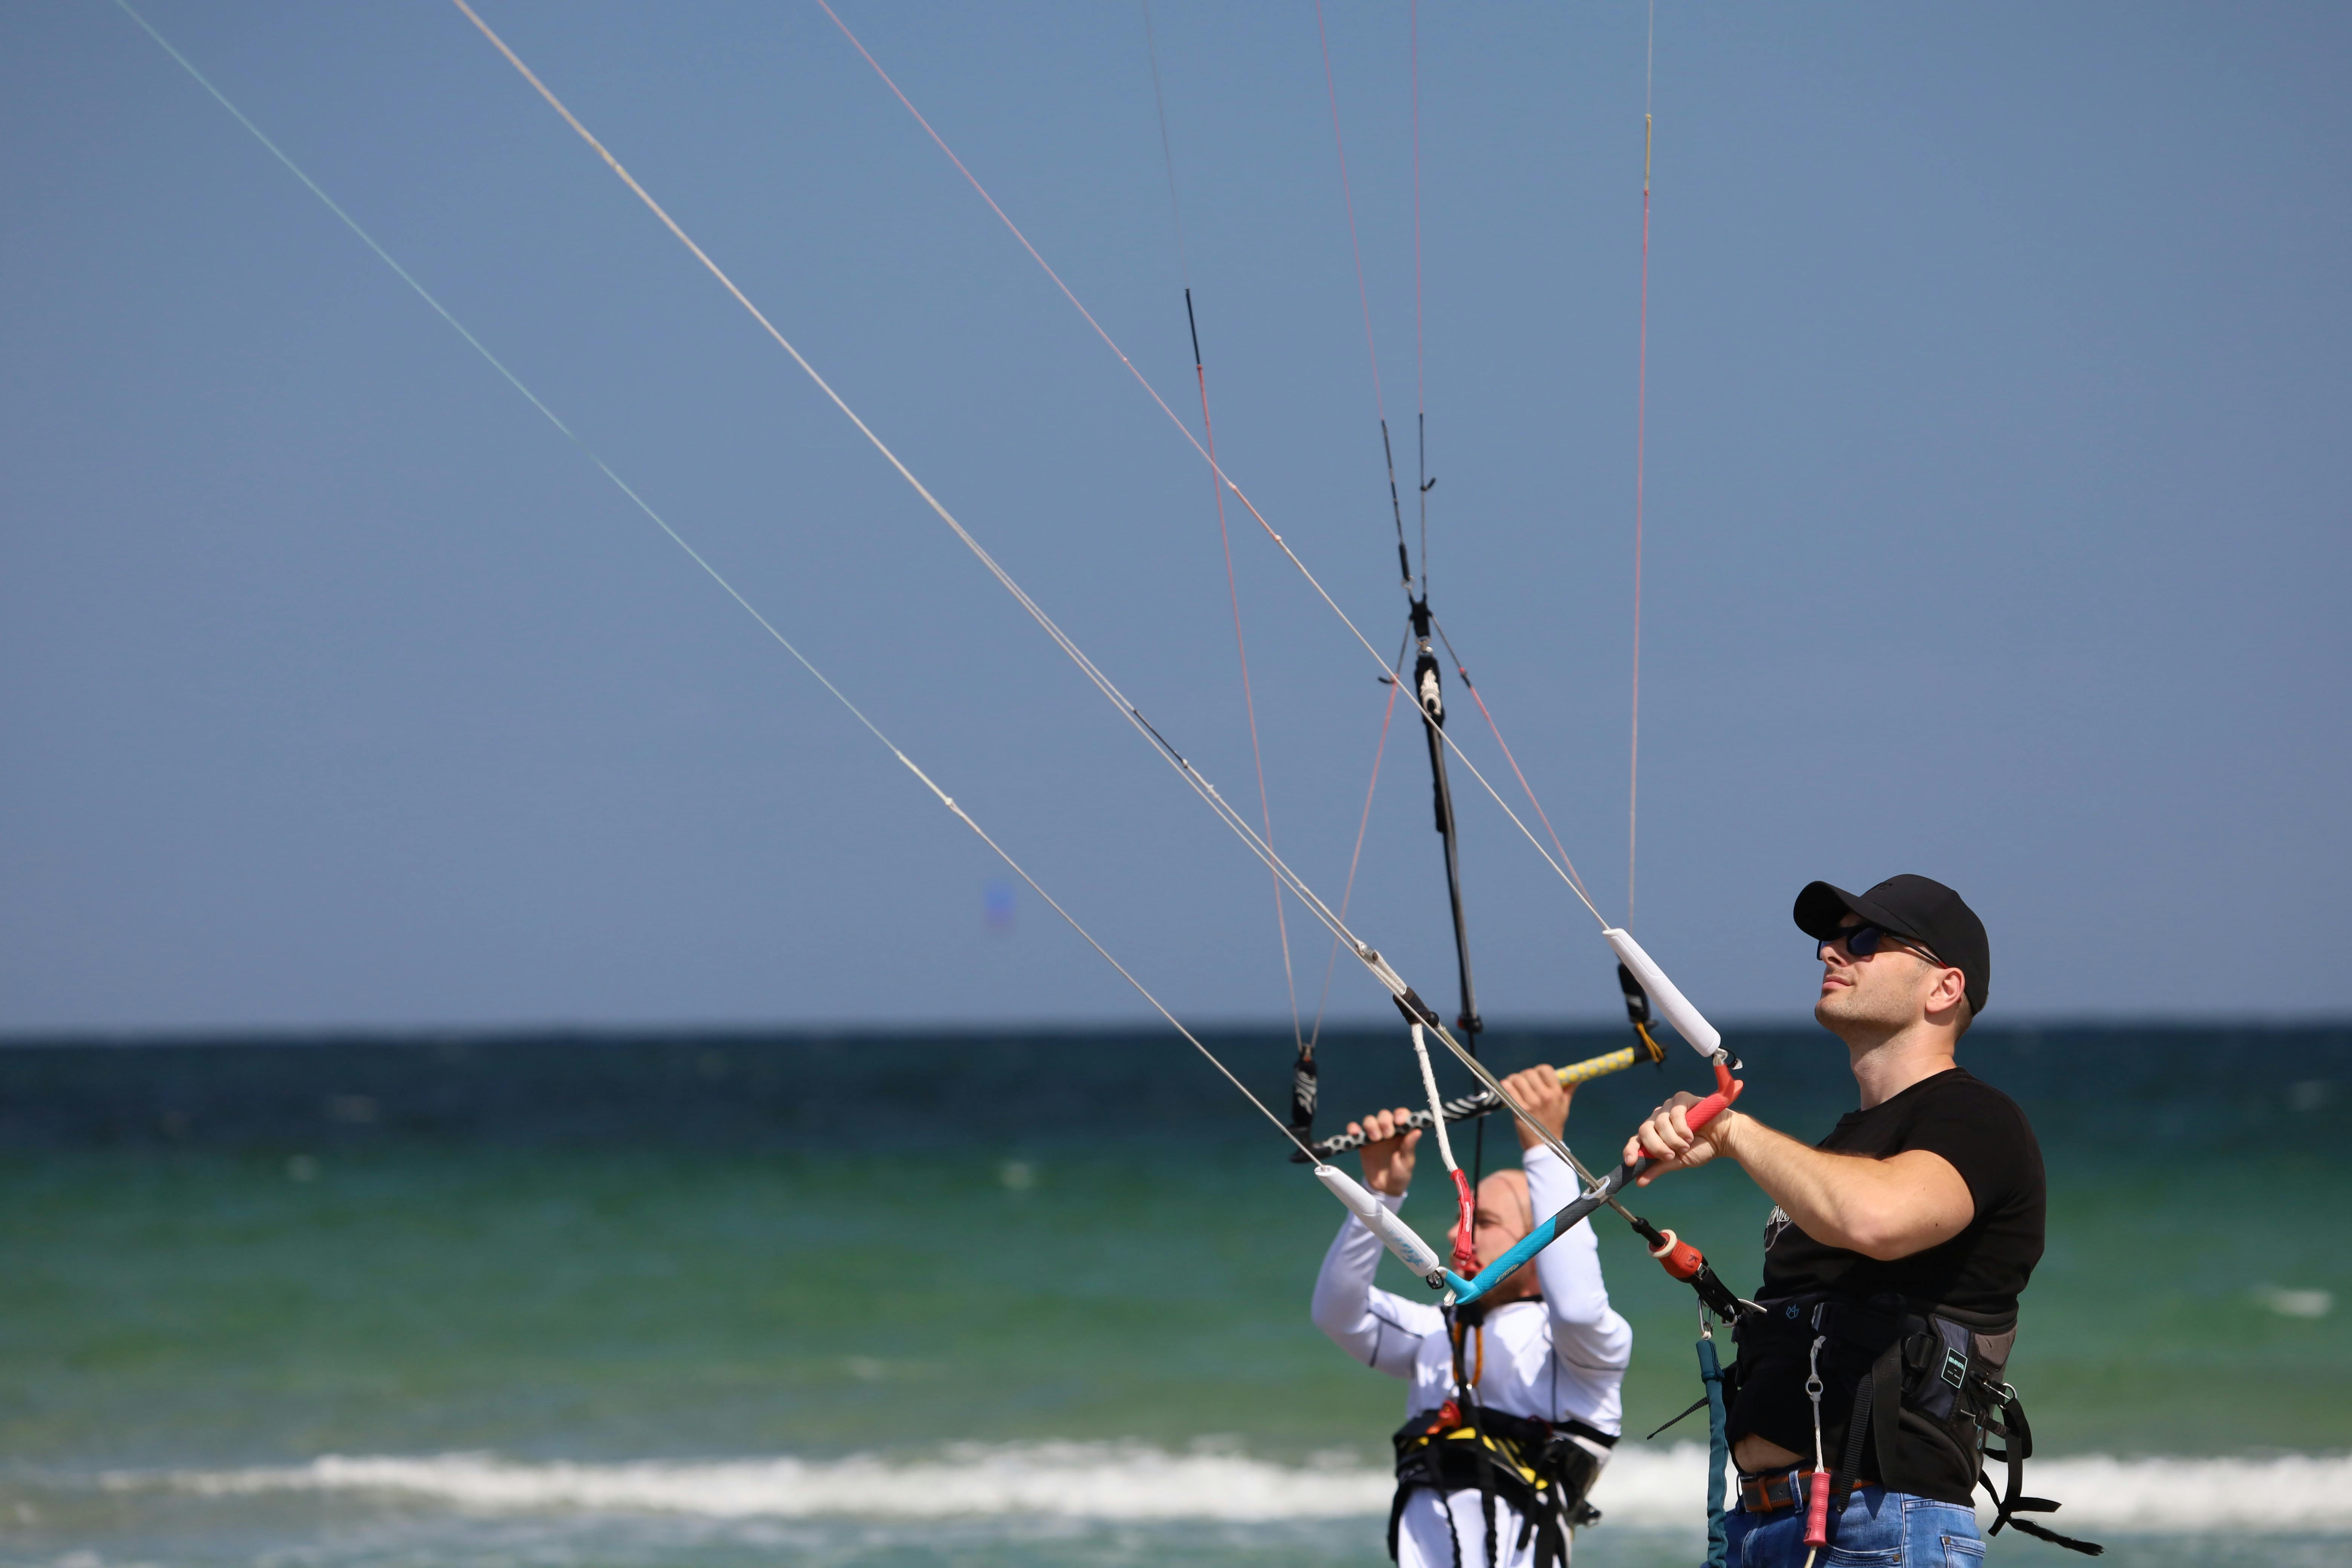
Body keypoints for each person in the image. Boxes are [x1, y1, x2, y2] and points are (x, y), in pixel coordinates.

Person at [1625, 874, 2052, 1564]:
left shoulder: (1979, 1119)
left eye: (1863, 941)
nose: (1831, 954)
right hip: (1766, 1527)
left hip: (1882, 1527)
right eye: (1830, 940)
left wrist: (1734, 1133)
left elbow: (1878, 1218)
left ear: (1944, 988)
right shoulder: (1835, 1151)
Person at [1314, 1064, 1632, 1568]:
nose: (1457, 1239)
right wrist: (1378, 1198)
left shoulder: (1584, 1348)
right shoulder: (1437, 1335)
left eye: (1482, 1223)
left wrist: (1543, 1148)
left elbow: (1574, 1301)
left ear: (1536, 1251)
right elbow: (1338, 1312)